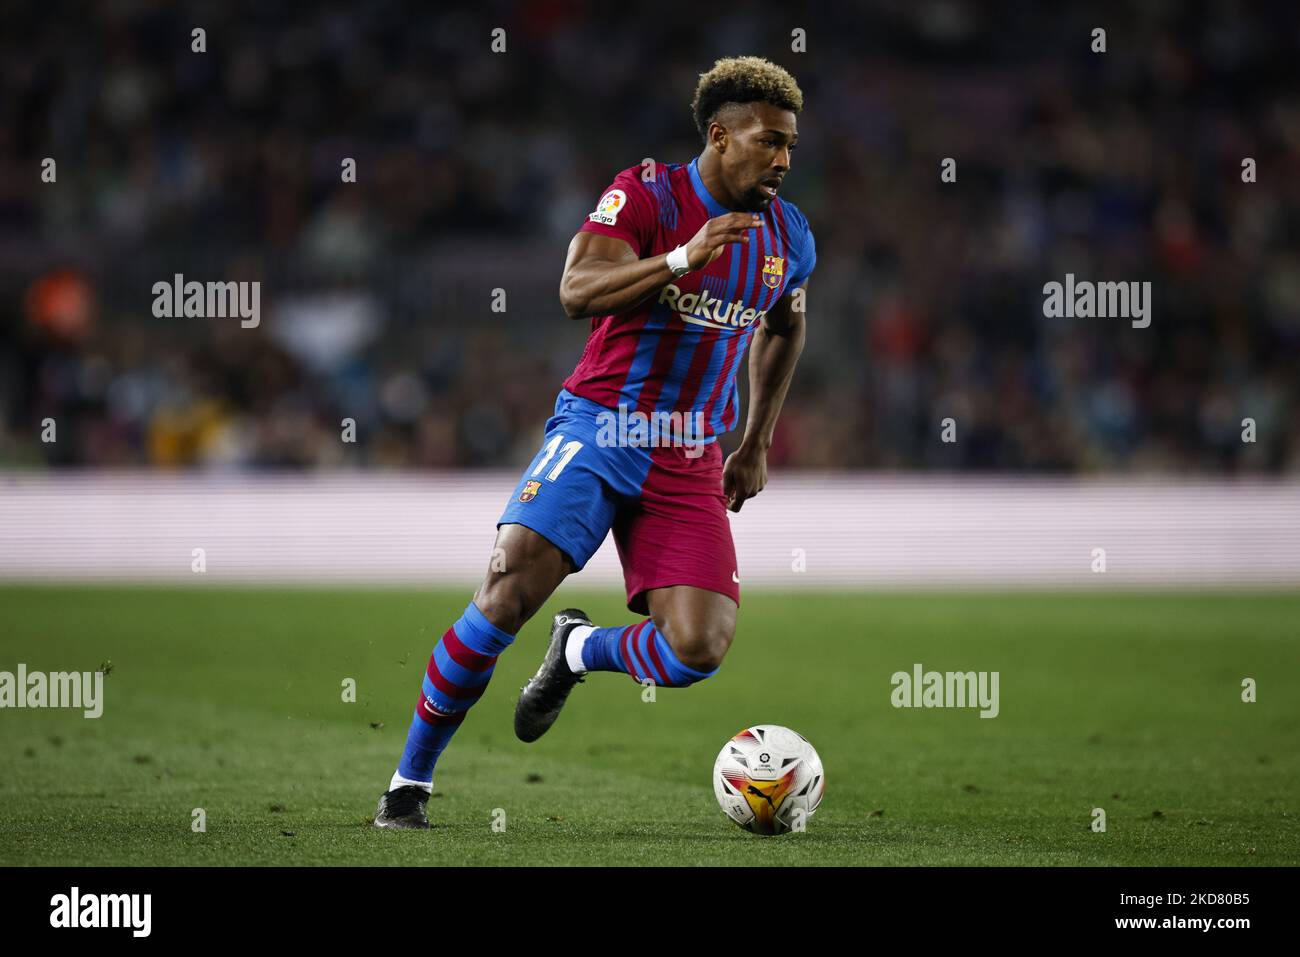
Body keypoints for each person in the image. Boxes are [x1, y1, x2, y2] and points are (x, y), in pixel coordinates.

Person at [375, 55, 816, 829]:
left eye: (789, 145)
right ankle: (410, 782)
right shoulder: (646, 193)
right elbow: (576, 291)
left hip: (690, 454)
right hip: (600, 425)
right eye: (768, 141)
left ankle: (577, 652)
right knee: (508, 589)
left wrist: (756, 440)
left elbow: (786, 325)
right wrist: (682, 258)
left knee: (697, 650)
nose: (783, 159)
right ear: (720, 135)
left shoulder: (788, 237)